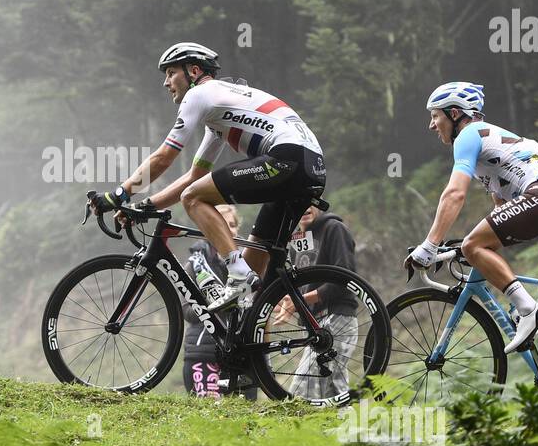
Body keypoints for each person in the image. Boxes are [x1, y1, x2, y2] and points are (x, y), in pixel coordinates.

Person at [91, 42, 326, 308]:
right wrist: (145, 206)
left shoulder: (200, 94)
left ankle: (238, 275)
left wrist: (119, 194)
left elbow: (164, 157)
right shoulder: (218, 115)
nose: (166, 83)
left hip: (288, 158)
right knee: (256, 262)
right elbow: (195, 176)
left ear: (193, 71)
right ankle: (254, 340)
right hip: (309, 168)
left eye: (171, 73)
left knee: (194, 200)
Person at [406, 82, 538, 355]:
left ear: (455, 114)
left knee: (473, 245)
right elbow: (501, 215)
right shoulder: (496, 144)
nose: (432, 125)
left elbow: (454, 194)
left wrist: (430, 246)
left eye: (435, 116)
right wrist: (461, 251)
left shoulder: (468, 135)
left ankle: (528, 310)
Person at [270, 203, 359, 405]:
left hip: (337, 317)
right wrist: (287, 303)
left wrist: (300, 301)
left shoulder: (334, 229)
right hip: (312, 324)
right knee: (334, 389)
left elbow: (344, 279)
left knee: (304, 388)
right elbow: (296, 286)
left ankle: (294, 432)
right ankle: (351, 432)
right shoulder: (295, 239)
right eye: (298, 202)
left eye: (309, 201)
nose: (304, 207)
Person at [180, 205, 257, 401]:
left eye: (232, 225)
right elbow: (186, 311)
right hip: (204, 352)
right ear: (208, 226)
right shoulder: (195, 265)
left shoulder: (248, 263)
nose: (228, 229)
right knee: (210, 421)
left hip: (242, 354)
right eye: (221, 223)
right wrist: (216, 300)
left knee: (245, 424)